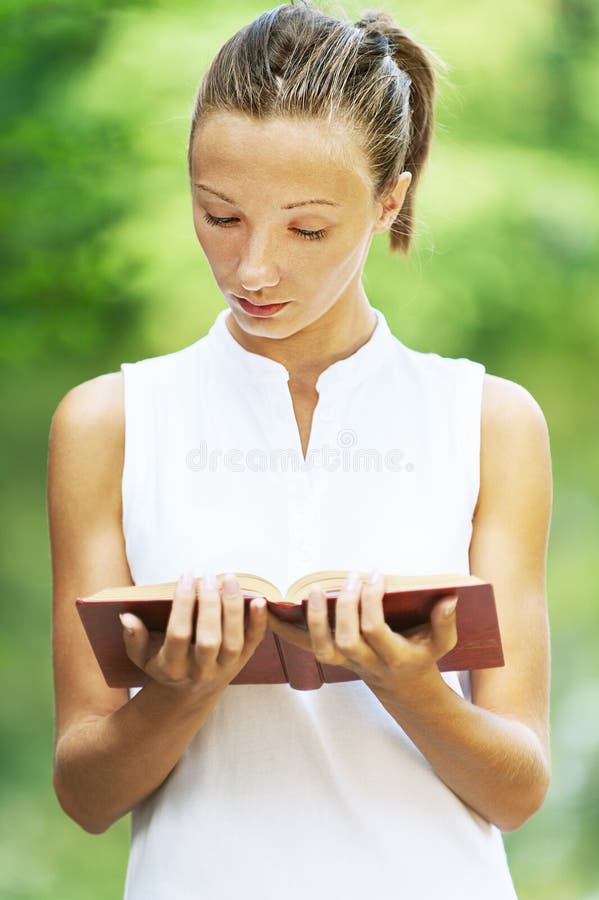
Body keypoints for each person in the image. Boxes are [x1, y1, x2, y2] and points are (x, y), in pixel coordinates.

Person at [48, 2, 552, 898]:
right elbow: (86, 793)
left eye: (306, 229)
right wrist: (183, 689)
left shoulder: (486, 419)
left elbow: (517, 790)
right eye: (220, 215)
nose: (252, 269)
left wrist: (407, 684)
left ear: (389, 200)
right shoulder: (110, 423)